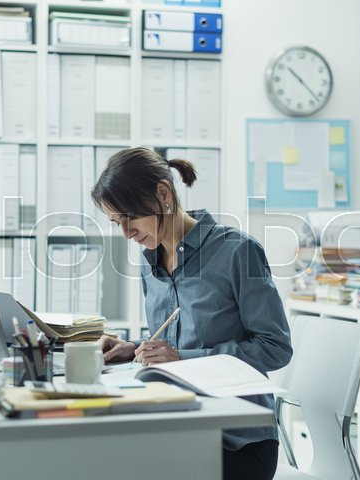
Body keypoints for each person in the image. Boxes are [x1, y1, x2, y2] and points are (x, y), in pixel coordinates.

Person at [92, 147, 293, 480]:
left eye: (130, 218)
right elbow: (173, 339)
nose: (126, 232)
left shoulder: (237, 252)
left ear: (163, 194)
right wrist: (134, 348)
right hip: (177, 423)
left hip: (237, 442)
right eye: (117, 222)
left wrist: (183, 358)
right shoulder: (150, 260)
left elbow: (276, 347)